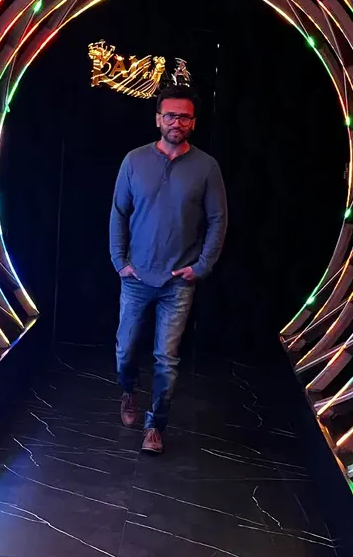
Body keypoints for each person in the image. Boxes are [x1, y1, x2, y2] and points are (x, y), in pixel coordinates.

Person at [109, 85, 227, 453]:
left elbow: (218, 220)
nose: (177, 122)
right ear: (158, 119)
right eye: (170, 115)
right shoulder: (134, 161)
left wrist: (201, 267)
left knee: (166, 360)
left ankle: (155, 427)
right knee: (126, 351)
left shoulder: (206, 167)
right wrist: (119, 262)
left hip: (178, 282)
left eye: (184, 117)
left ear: (193, 122)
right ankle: (128, 391)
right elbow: (119, 213)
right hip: (137, 278)